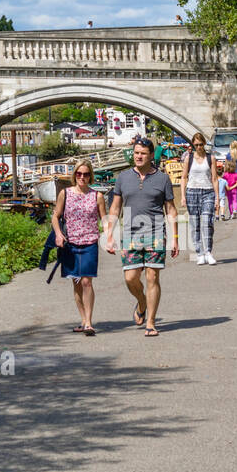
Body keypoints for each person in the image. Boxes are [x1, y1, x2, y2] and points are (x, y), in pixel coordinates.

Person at [106, 139, 179, 336]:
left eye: (143, 153)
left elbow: (171, 210)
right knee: (130, 278)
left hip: (155, 233)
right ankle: (141, 302)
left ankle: (151, 323)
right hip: (130, 233)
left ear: (151, 155)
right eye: (136, 152)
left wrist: (175, 237)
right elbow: (115, 207)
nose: (138, 156)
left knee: (152, 277)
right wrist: (109, 234)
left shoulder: (163, 179)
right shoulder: (122, 178)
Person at [51, 162, 106, 336]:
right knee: (76, 283)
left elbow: (104, 219)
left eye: (86, 174)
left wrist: (109, 236)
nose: (82, 177)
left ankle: (89, 322)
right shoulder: (65, 194)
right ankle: (83, 320)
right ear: (75, 175)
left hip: (90, 242)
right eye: (79, 174)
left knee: (86, 282)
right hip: (70, 243)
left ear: (91, 176)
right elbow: (56, 216)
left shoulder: (97, 196)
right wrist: (59, 234)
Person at [182, 132, 218, 265]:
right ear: (193, 145)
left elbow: (214, 179)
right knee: (195, 224)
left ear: (204, 144)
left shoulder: (211, 158)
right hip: (192, 192)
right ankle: (199, 253)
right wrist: (182, 196)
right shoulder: (188, 158)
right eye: (196, 145)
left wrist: (217, 198)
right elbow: (184, 177)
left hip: (207, 192)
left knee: (207, 222)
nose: (198, 147)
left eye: (201, 144)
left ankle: (208, 252)